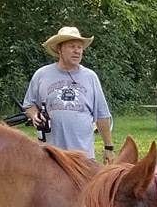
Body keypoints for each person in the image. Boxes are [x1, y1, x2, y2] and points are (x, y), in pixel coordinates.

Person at [23, 25, 114, 161]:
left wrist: (108, 147)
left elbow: (102, 115)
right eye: (72, 46)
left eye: (79, 47)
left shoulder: (90, 77)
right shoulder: (42, 75)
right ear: (59, 49)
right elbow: (29, 105)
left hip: (83, 157)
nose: (77, 51)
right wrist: (35, 115)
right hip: (50, 156)